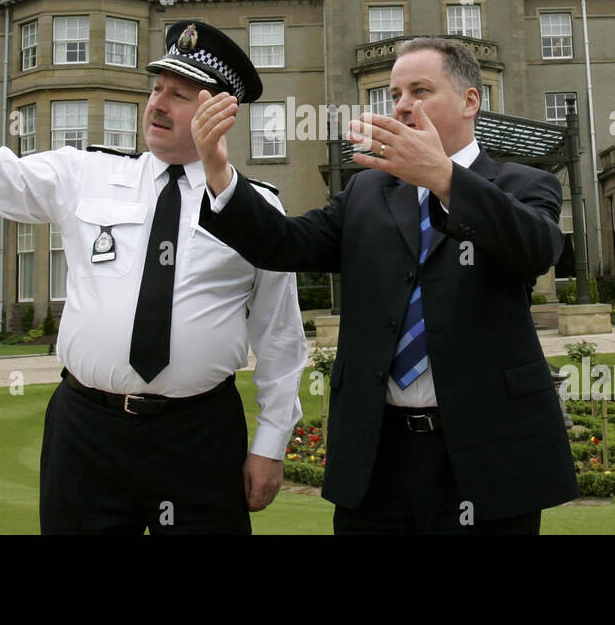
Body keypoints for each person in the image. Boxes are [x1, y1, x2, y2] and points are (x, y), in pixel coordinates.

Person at [0, 21, 307, 535]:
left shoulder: (256, 210)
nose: (157, 104)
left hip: (198, 436)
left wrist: (271, 445)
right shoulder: (85, 172)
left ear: (220, 112)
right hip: (87, 432)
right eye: (157, 88)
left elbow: (280, 336)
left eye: (180, 95)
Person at [192, 36, 579, 534]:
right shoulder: (367, 190)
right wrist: (220, 173)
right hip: (377, 458)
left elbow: (538, 248)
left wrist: (444, 178)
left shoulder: (522, 185)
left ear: (469, 101)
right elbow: (283, 243)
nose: (401, 105)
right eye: (395, 94)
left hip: (487, 456)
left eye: (420, 90)